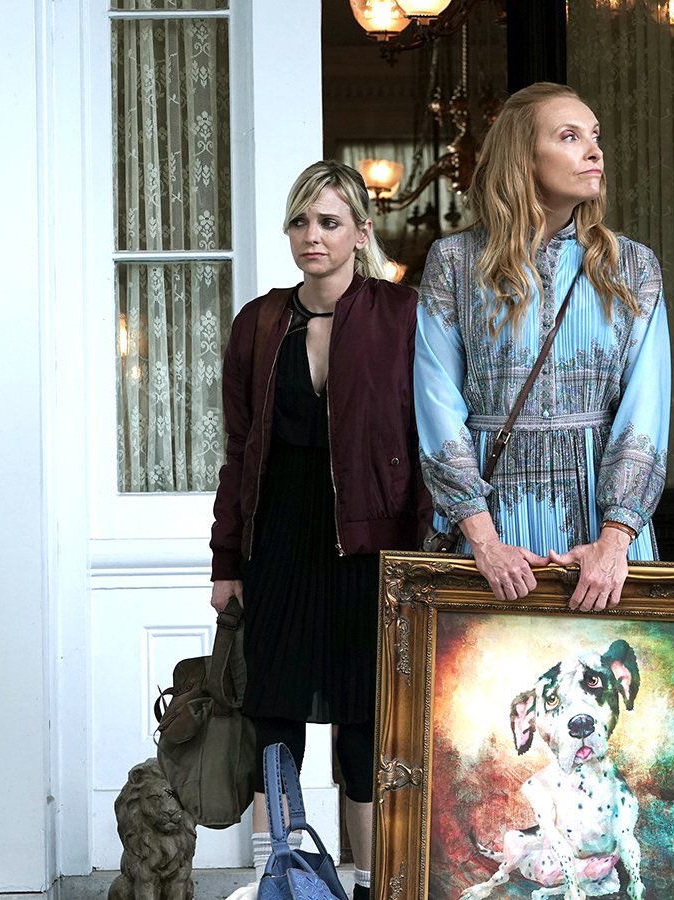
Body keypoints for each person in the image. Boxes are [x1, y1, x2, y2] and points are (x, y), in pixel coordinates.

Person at [208, 160, 429, 900]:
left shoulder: (402, 314)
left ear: (361, 232)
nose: (313, 235)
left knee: (364, 721)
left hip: (369, 547)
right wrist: (227, 561)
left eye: (329, 222)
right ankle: (283, 878)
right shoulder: (260, 322)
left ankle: (367, 885)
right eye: (301, 221)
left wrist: (424, 554)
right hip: (278, 544)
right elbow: (239, 450)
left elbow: (428, 440)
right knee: (273, 715)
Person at [414, 82, 671, 610]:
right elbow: (436, 403)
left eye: (595, 136)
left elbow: (646, 406)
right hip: (491, 526)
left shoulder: (632, 266)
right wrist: (483, 541)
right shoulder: (455, 262)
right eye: (570, 137)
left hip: (605, 528)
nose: (594, 151)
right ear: (523, 159)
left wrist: (614, 540)